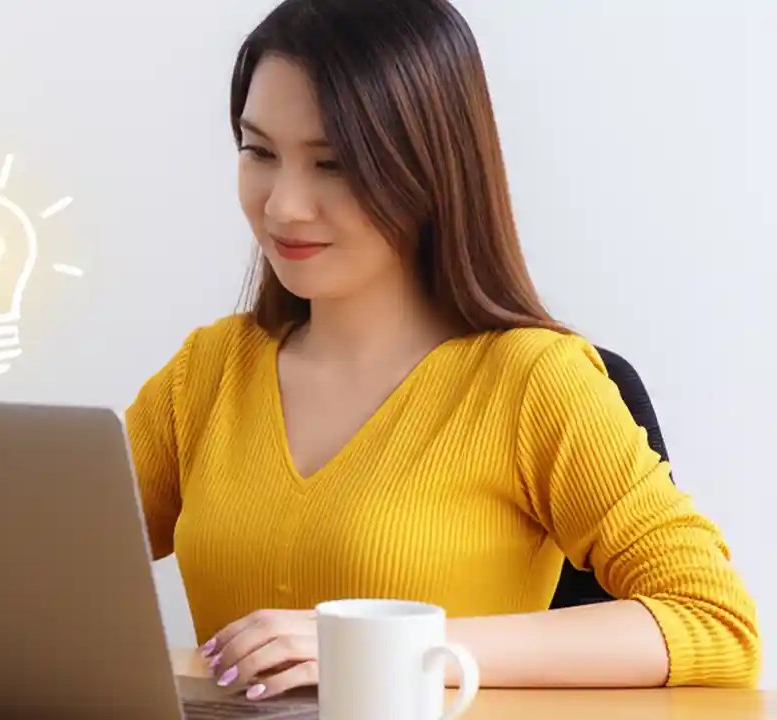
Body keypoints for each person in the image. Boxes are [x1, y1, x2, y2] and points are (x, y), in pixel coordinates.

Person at [123, 0, 761, 701]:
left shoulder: (533, 382)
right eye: (259, 152)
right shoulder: (205, 375)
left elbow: (715, 622)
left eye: (333, 164)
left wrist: (397, 649)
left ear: (430, 168)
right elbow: (39, 562)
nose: (284, 205)